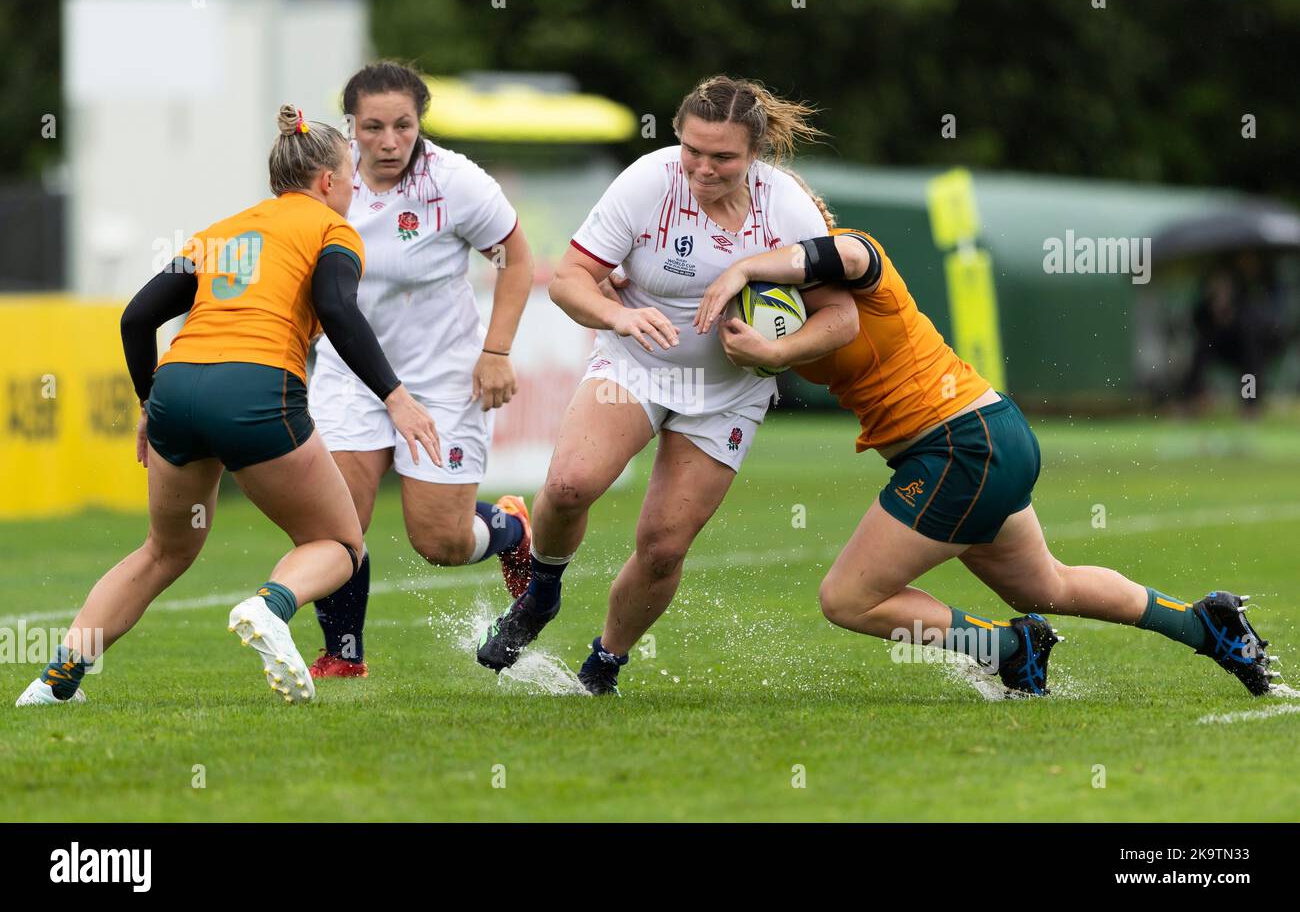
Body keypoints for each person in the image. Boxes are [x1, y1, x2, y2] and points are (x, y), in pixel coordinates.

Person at [692, 226, 1282, 697]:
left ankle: (1005, 649)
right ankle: (1206, 624)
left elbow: (851, 255)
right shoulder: (789, 299)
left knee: (847, 598)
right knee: (1045, 585)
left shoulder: (849, 248)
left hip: (960, 445)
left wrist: (748, 272)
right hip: (982, 438)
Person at [16, 105, 438, 707]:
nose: (354, 186)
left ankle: (53, 683)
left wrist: (146, 402)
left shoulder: (220, 231)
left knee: (162, 551)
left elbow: (137, 317)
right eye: (350, 173)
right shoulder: (332, 231)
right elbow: (340, 310)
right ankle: (271, 606)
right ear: (325, 182)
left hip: (177, 389)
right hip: (255, 390)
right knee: (340, 546)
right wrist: (396, 397)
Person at [474, 75, 860, 695]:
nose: (703, 169)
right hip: (635, 365)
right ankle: (541, 591)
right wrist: (619, 315)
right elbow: (571, 279)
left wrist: (777, 350)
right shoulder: (647, 182)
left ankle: (604, 666)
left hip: (729, 393)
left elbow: (843, 319)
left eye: (724, 158)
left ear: (754, 154)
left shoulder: (786, 206)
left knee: (662, 548)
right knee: (570, 485)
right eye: (693, 151)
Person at [307, 62, 535, 679]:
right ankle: (343, 655)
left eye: (402, 126)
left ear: (419, 124)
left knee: (440, 542)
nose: (388, 141)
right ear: (352, 126)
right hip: (350, 373)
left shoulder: (456, 181)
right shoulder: (325, 180)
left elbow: (517, 260)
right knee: (337, 523)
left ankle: (511, 527)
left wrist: (496, 352)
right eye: (373, 126)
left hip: (441, 378)